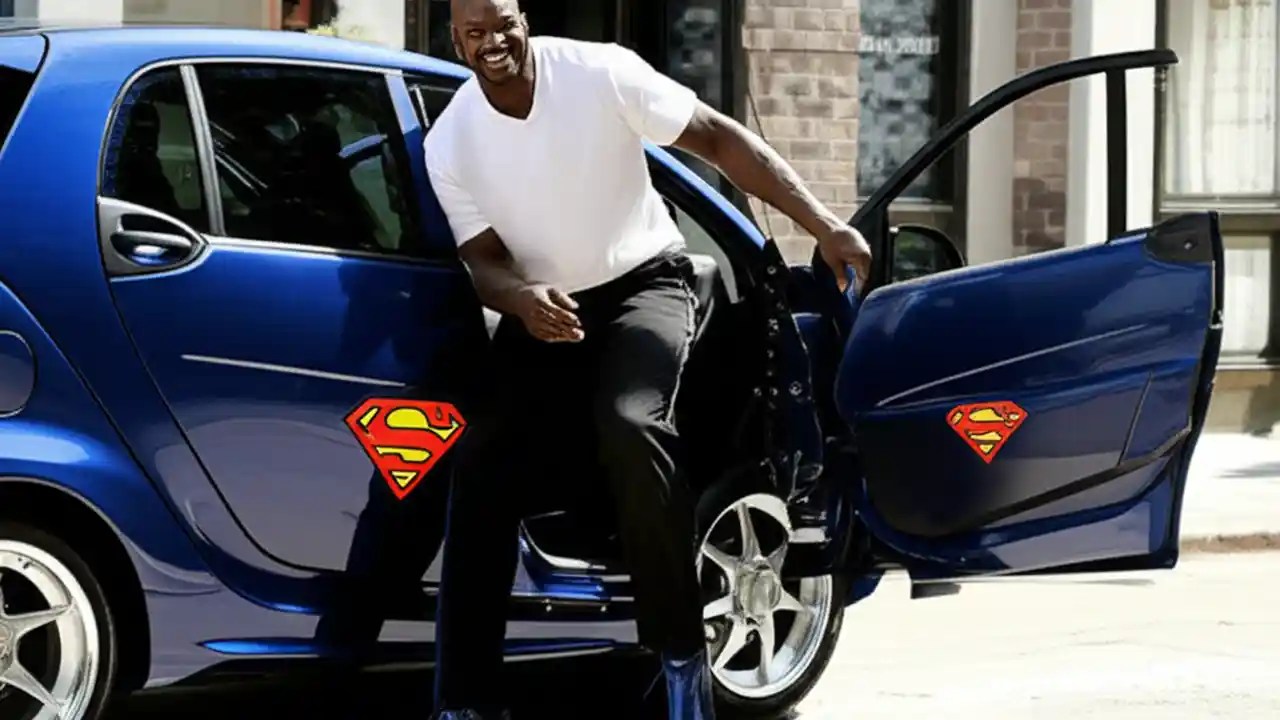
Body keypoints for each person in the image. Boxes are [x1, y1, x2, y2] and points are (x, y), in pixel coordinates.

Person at [424, 1, 872, 718]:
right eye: (474, 33)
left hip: (645, 282)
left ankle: (681, 658)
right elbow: (481, 263)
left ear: (523, 19)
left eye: (503, 23)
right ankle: (464, 702)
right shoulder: (452, 140)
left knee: (631, 423)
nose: (493, 42)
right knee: (480, 465)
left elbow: (721, 142)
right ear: (456, 40)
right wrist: (520, 298)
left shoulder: (599, 72)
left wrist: (823, 225)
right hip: (546, 309)